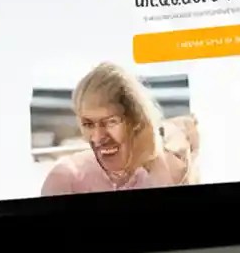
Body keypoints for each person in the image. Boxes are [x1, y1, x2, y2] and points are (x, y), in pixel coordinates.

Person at [41, 62, 200, 195]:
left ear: (136, 120)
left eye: (110, 122)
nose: (97, 137)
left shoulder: (172, 171)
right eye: (88, 124)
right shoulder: (66, 180)